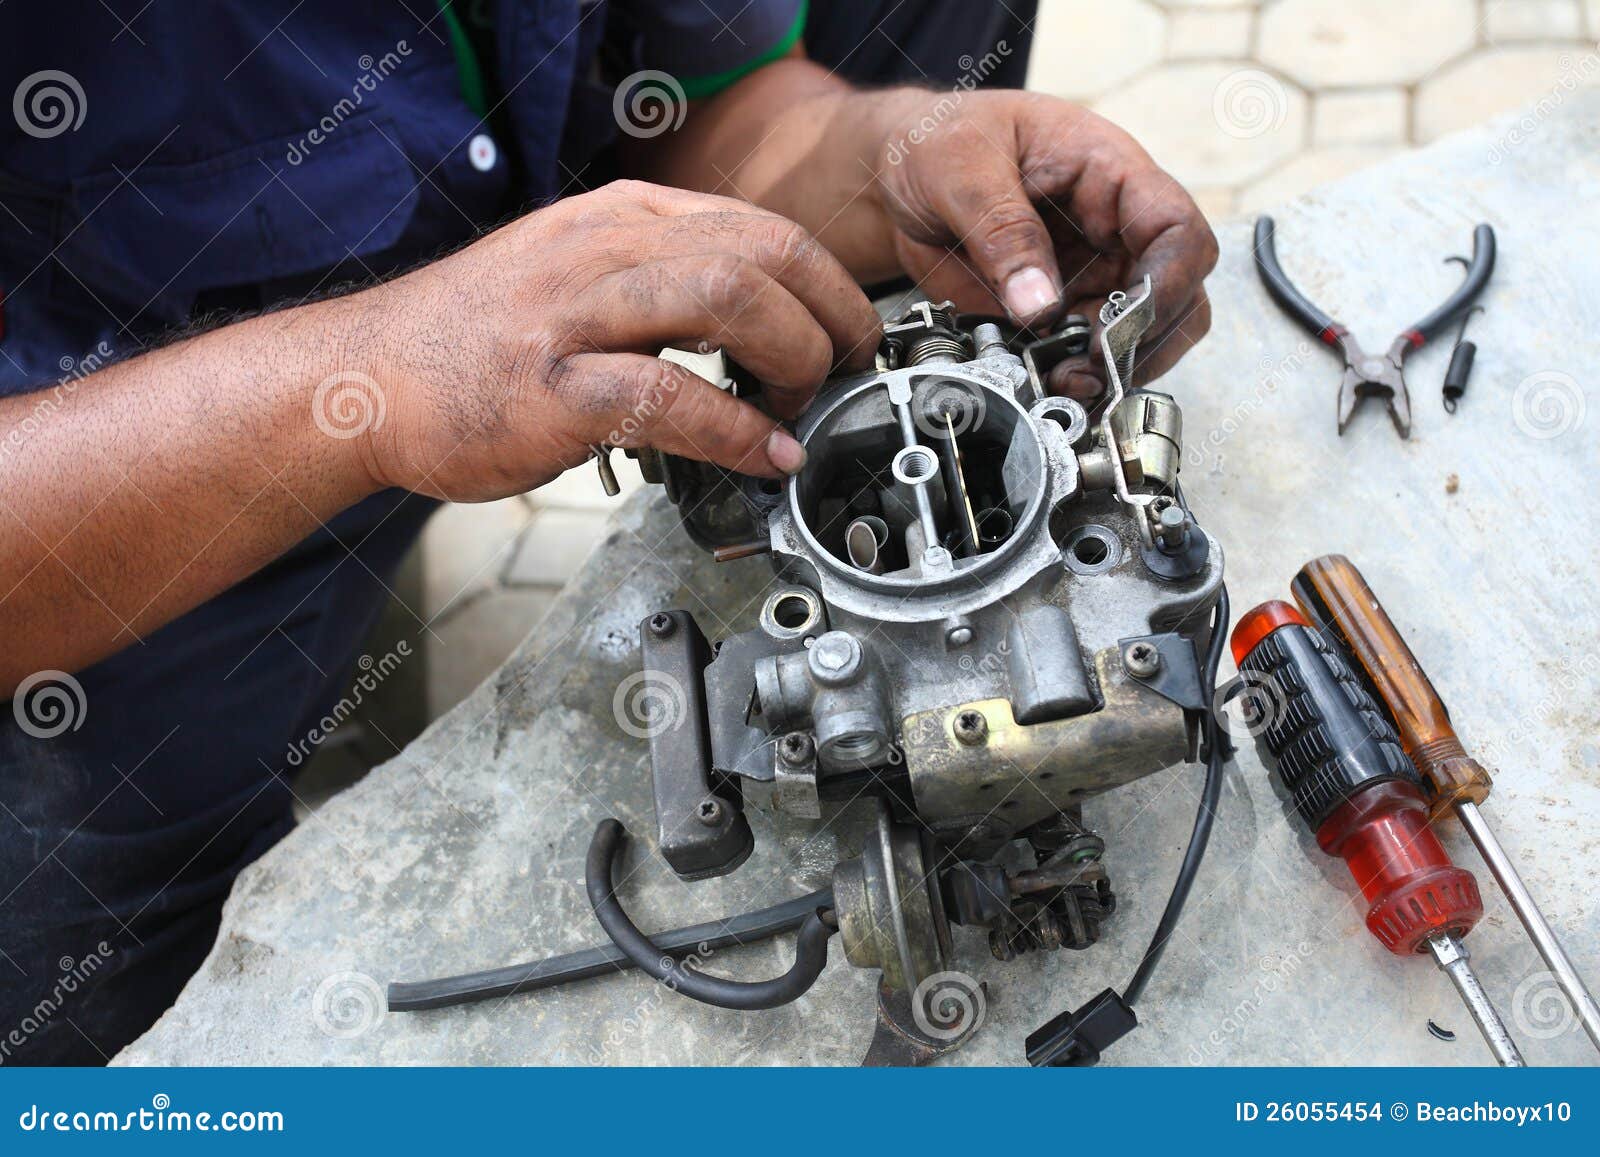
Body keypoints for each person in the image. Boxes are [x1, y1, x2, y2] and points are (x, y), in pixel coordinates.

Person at [0, 0, 1215, 1063]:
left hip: (489, 317)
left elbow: (694, 96)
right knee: (70, 986)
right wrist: (365, 380)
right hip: (116, 505)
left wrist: (880, 151)